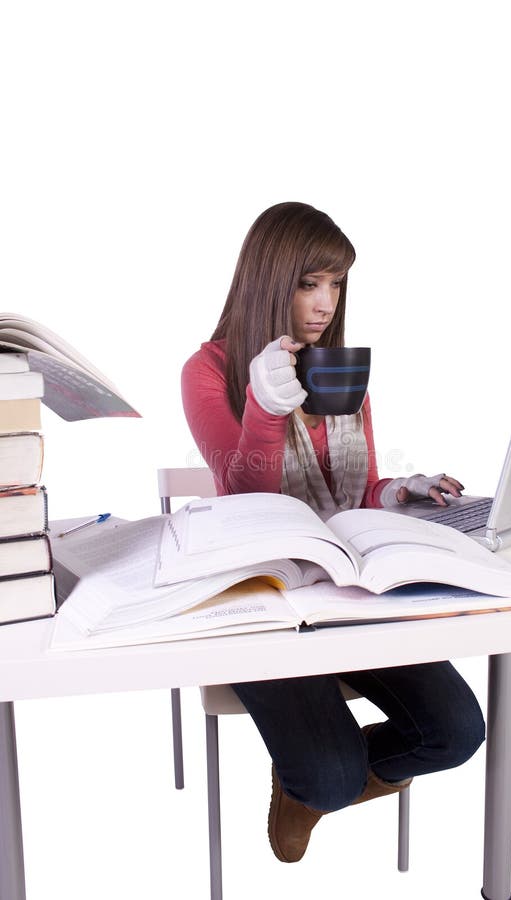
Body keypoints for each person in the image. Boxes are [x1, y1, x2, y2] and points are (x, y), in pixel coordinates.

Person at [181, 201, 485, 864]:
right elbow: (246, 498)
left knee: (459, 732)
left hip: (347, 589)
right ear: (270, 278)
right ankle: (319, 784)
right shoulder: (209, 370)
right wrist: (263, 408)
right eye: (308, 282)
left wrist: (398, 493)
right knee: (330, 772)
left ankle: (321, 786)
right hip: (264, 595)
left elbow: (353, 492)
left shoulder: (340, 369)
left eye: (337, 283)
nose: (325, 302)